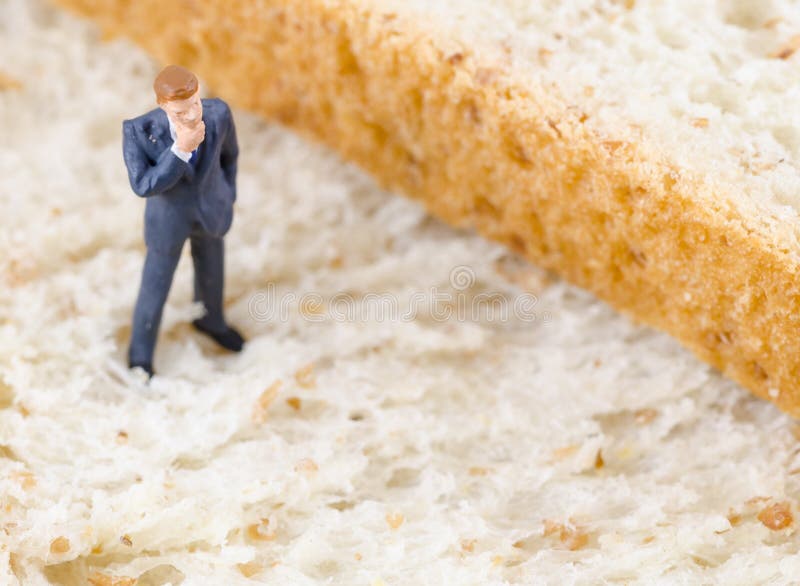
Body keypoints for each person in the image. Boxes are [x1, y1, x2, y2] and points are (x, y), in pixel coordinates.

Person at [122, 64, 244, 377]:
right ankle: (141, 354)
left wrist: (228, 193)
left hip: (211, 212)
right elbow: (144, 185)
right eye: (180, 112)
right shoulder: (138, 131)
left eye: (194, 105)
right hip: (167, 223)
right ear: (163, 107)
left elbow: (230, 155)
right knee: (155, 285)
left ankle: (211, 320)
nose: (191, 116)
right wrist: (179, 151)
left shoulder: (218, 114)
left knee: (212, 272)